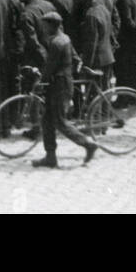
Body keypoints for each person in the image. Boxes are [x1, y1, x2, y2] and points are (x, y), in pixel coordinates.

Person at [31, 9, 97, 168]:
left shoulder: (56, 43)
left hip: (59, 85)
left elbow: (50, 67)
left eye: (45, 25)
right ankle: (50, 157)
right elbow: (74, 57)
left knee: (60, 122)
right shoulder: (64, 38)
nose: (43, 28)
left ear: (51, 26)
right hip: (61, 83)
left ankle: (87, 144)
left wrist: (40, 81)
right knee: (47, 121)